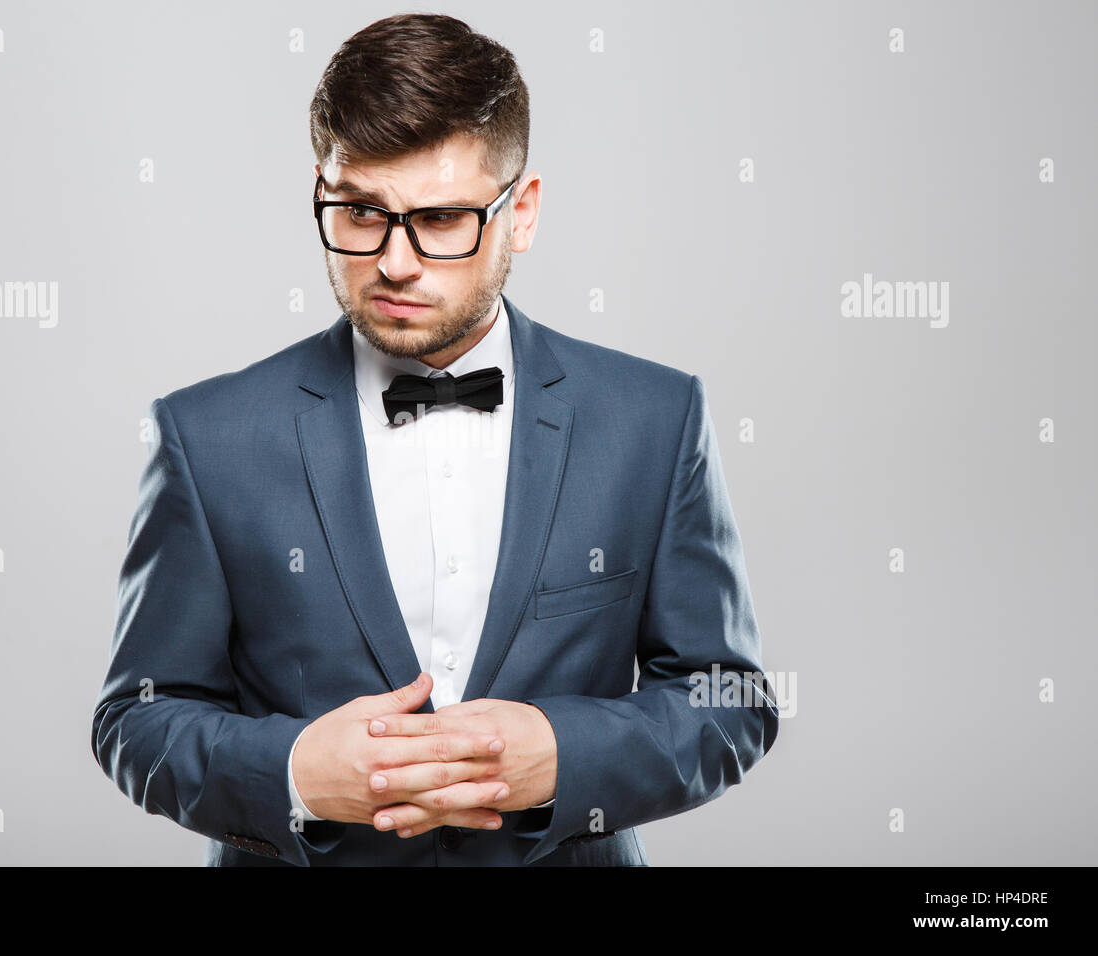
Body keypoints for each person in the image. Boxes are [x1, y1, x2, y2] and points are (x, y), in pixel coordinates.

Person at [91, 12, 778, 867]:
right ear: (320, 194)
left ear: (520, 212)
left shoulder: (654, 417)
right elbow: (138, 717)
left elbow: (731, 700)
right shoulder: (206, 435)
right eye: (361, 212)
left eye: (443, 219)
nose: (395, 262)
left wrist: (563, 754)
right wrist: (296, 772)